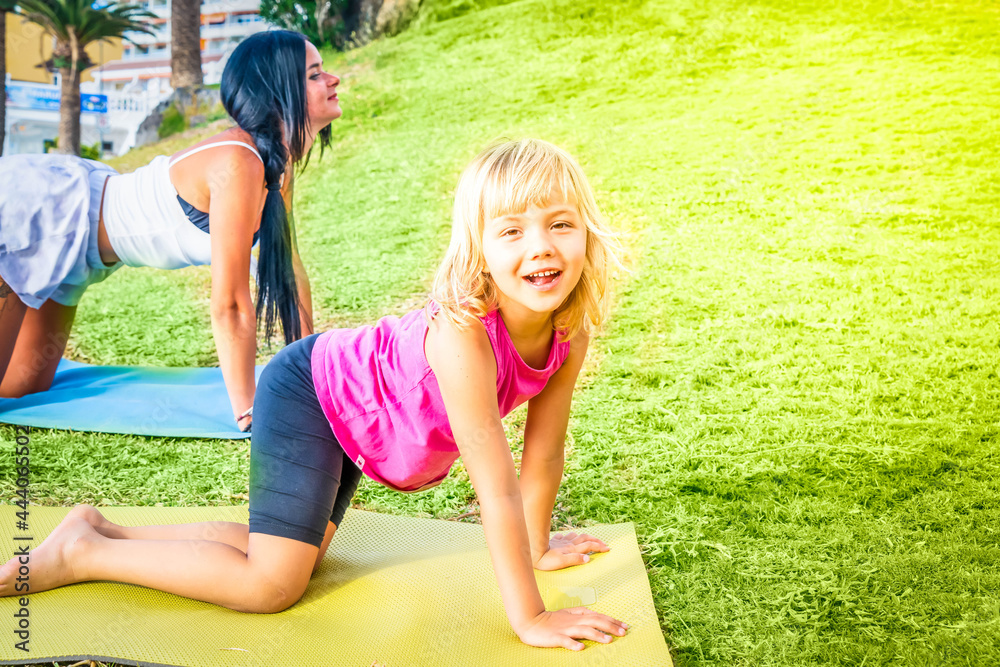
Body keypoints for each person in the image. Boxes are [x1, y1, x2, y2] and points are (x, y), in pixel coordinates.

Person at [0, 139, 628, 651]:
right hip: (314, 394)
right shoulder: (463, 335)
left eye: (560, 225)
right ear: (479, 253)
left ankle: (101, 531)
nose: (541, 246)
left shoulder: (567, 334)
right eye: (511, 231)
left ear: (587, 232)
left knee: (290, 556)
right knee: (271, 585)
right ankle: (81, 555)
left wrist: (539, 547)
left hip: (361, 420)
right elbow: (496, 486)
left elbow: (543, 456)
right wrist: (530, 618)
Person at [0, 30, 342, 432]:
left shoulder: (274, 169)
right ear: (277, 91)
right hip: (44, 214)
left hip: (81, 258)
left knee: (21, 391)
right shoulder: (238, 161)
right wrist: (250, 411)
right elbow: (230, 303)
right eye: (315, 74)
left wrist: (310, 378)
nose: (334, 79)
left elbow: (288, 272)